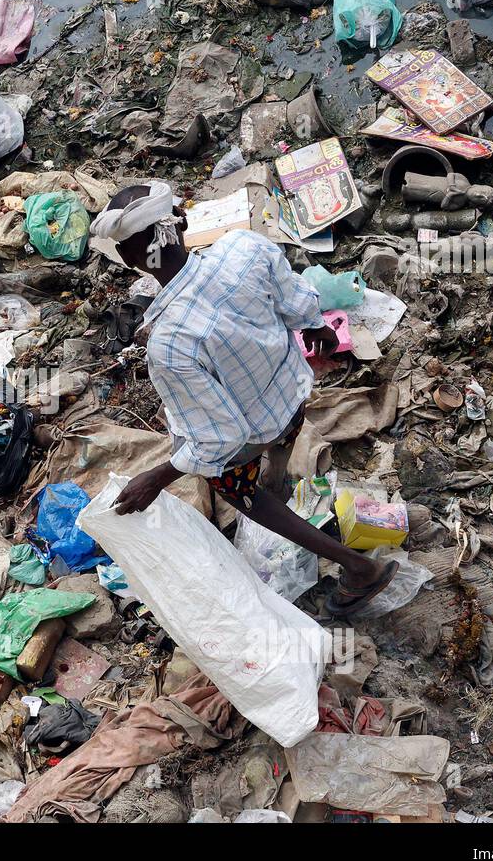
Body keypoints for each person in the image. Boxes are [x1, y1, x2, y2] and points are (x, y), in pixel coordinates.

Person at [89, 181, 398, 615]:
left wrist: (158, 477)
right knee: (275, 436)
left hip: (256, 427)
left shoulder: (171, 344)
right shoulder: (244, 248)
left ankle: (356, 567)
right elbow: (298, 304)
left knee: (231, 484)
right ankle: (277, 482)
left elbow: (220, 439)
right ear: (181, 222)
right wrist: (315, 324)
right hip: (293, 392)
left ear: (127, 258)